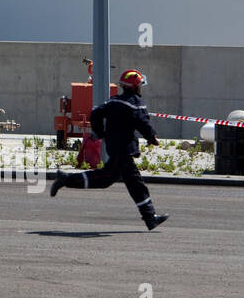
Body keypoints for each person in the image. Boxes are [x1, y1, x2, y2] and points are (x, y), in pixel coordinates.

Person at [49, 69, 169, 230]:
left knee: (135, 184)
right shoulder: (135, 102)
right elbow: (143, 122)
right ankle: (66, 179)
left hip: (115, 147)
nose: (141, 88)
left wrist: (100, 133)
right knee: (108, 179)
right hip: (124, 149)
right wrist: (152, 137)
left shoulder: (114, 101)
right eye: (140, 85)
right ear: (135, 87)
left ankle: (150, 217)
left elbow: (95, 114)